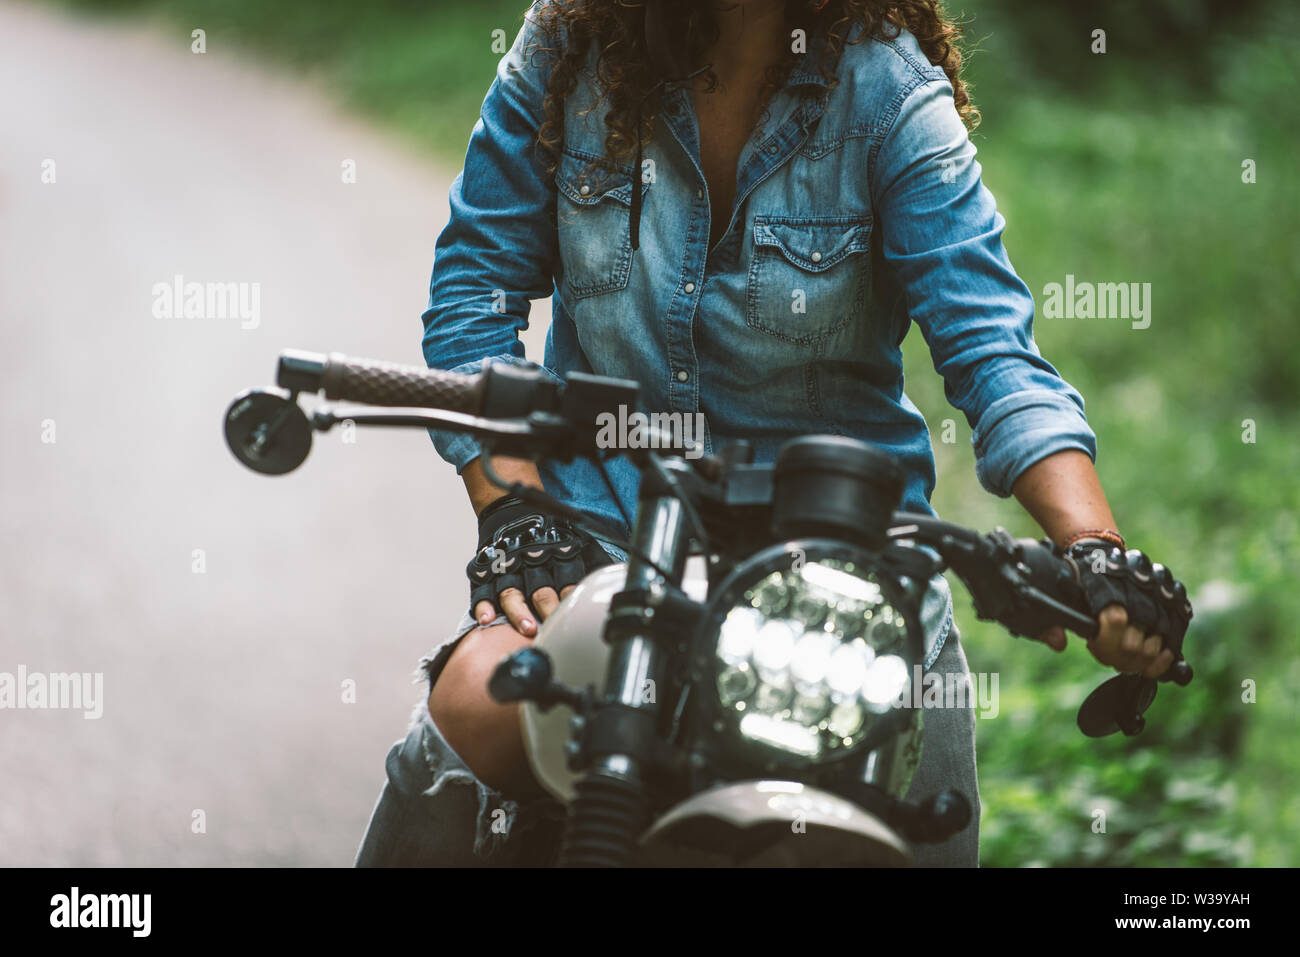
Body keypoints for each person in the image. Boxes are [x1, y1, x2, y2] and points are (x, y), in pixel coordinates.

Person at [355, 0, 1185, 867]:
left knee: (915, 839)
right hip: (608, 545)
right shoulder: (570, 45)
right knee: (468, 706)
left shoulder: (891, 92)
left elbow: (994, 351)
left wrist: (1095, 553)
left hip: (842, 569)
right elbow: (472, 300)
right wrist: (516, 509)